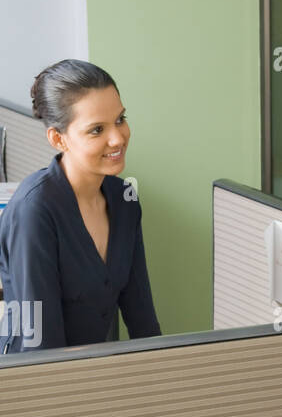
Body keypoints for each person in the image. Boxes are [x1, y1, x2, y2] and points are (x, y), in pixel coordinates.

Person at [0, 59, 161, 353]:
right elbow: (39, 342)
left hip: (91, 373)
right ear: (58, 138)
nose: (117, 138)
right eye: (97, 130)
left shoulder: (125, 199)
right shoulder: (35, 212)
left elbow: (142, 317)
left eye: (120, 120)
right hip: (33, 379)